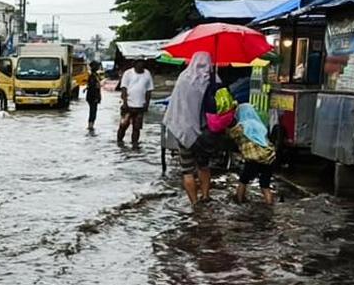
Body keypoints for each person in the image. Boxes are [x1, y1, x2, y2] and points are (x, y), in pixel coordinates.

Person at [165, 52, 218, 205]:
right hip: (204, 132)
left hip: (184, 131)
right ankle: (206, 196)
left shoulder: (183, 78)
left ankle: (194, 203)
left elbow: (176, 104)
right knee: (204, 166)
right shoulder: (213, 79)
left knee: (187, 170)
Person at [228, 103, 277, 204]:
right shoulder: (260, 125)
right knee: (265, 185)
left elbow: (231, 136)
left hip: (253, 159)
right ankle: (270, 206)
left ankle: (239, 201)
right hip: (268, 157)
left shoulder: (240, 127)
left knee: (243, 181)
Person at [117, 59, 154, 145]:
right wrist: (125, 103)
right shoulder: (128, 73)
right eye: (139, 63)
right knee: (123, 126)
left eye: (142, 63)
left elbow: (149, 90)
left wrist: (147, 104)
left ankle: (135, 144)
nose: (141, 65)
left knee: (137, 127)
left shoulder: (147, 74)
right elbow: (124, 89)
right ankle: (119, 142)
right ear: (134, 64)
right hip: (128, 105)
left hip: (140, 106)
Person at [85, 60, 102, 131]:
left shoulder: (95, 75)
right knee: (92, 111)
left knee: (93, 111)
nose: (98, 67)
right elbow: (92, 88)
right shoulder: (92, 76)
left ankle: (91, 125)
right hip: (92, 97)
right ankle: (90, 126)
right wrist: (96, 97)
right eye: (97, 66)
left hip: (94, 96)